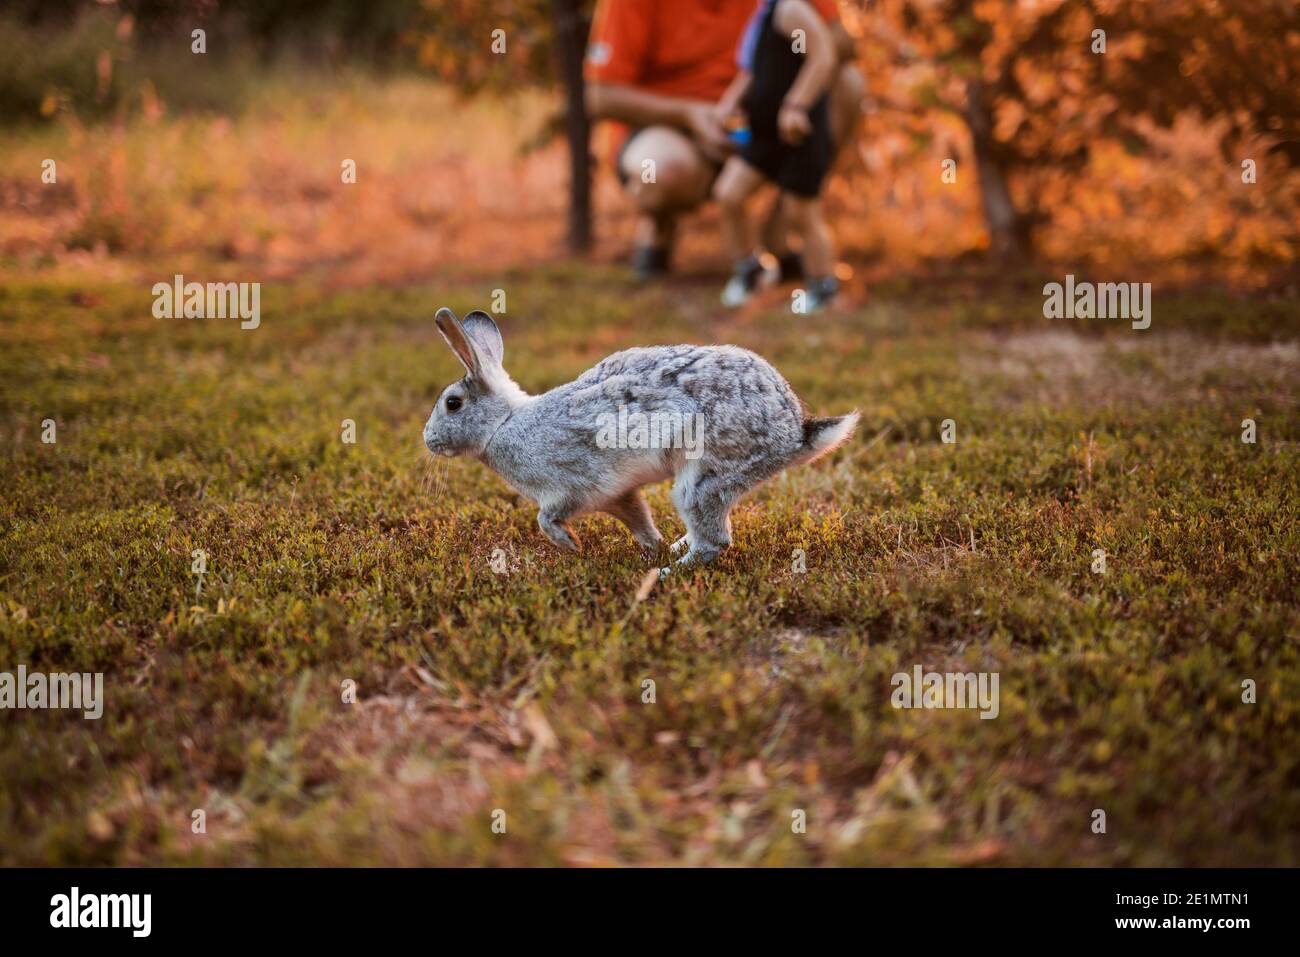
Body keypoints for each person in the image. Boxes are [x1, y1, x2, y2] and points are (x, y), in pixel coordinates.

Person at [584, 0, 862, 280]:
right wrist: (689, 115)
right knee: (658, 171)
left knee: (849, 85)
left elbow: (841, 42)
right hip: (672, 128)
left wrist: (791, 86)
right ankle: (659, 227)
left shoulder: (784, 8)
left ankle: (782, 230)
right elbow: (599, 96)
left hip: (764, 119)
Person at [714, 0, 839, 310]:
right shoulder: (765, 14)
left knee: (802, 212)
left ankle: (823, 285)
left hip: (798, 133)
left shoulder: (791, 10)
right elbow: (753, 69)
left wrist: (796, 105)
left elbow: (823, 56)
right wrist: (729, 102)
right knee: (729, 194)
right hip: (765, 135)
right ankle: (751, 270)